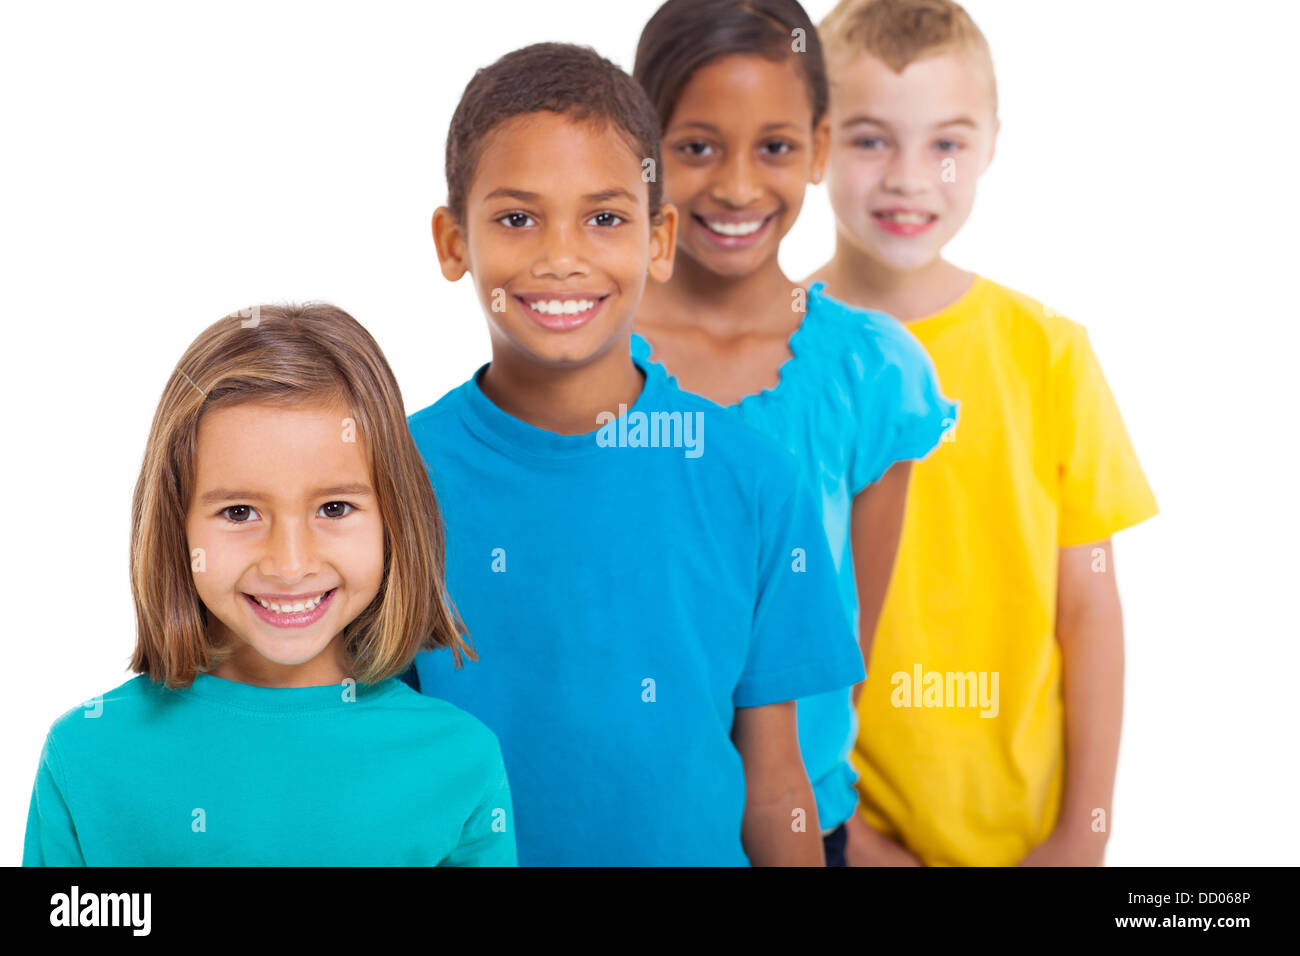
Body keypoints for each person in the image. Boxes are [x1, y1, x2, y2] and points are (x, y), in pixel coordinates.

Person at [408, 41, 864, 865]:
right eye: (517, 217)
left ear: (658, 240)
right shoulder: (390, 481)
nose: (560, 257)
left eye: (604, 218)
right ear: (452, 242)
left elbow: (775, 785)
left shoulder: (755, 484)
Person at [810, 0, 1159, 865]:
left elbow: (1089, 608)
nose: (908, 178)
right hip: (840, 831)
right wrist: (842, 835)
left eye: (946, 144)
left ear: (993, 143)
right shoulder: (778, 354)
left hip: (1028, 835)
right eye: (869, 139)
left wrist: (1084, 831)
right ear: (814, 140)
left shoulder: (1048, 352)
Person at [630, 0, 956, 865]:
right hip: (619, 821)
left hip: (808, 824)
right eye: (697, 146)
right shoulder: (586, 357)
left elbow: (847, 648)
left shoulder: (871, 371)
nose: (738, 186)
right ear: (643, 151)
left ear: (817, 147)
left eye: (773, 146)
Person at [23, 303, 515, 866]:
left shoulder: (460, 760)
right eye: (238, 513)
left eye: (334, 507)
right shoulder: (87, 753)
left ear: (395, 520)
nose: (289, 563)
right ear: (175, 525)